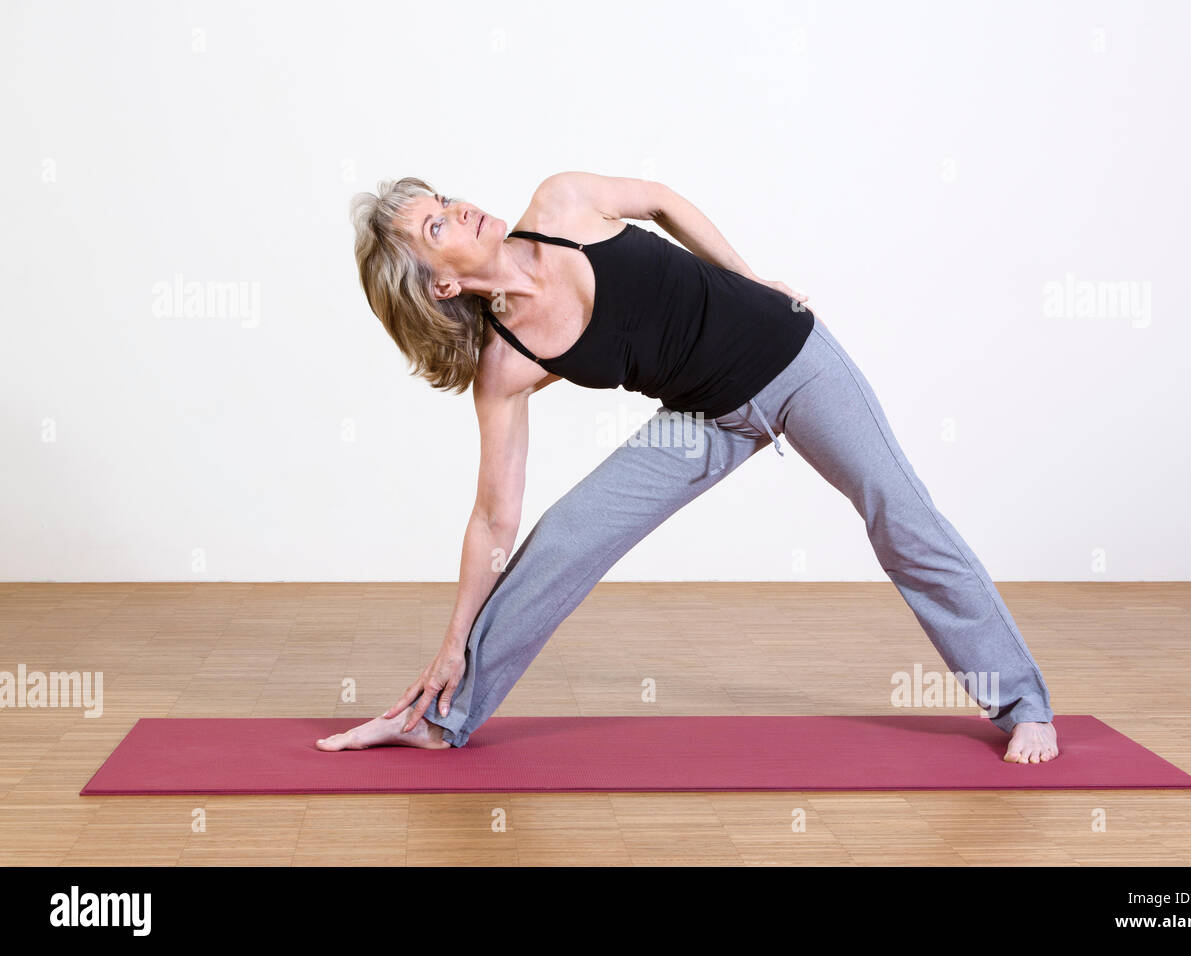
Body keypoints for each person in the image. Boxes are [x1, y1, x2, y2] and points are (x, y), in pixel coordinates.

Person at [318, 171, 1058, 764]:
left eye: (443, 199)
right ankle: (445, 718)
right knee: (569, 533)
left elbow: (662, 201)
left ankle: (1023, 703)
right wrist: (452, 642)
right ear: (440, 285)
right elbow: (493, 519)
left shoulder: (562, 201)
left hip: (793, 362)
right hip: (705, 417)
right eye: (436, 226)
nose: (461, 209)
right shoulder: (508, 364)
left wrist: (749, 277)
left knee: (899, 513)